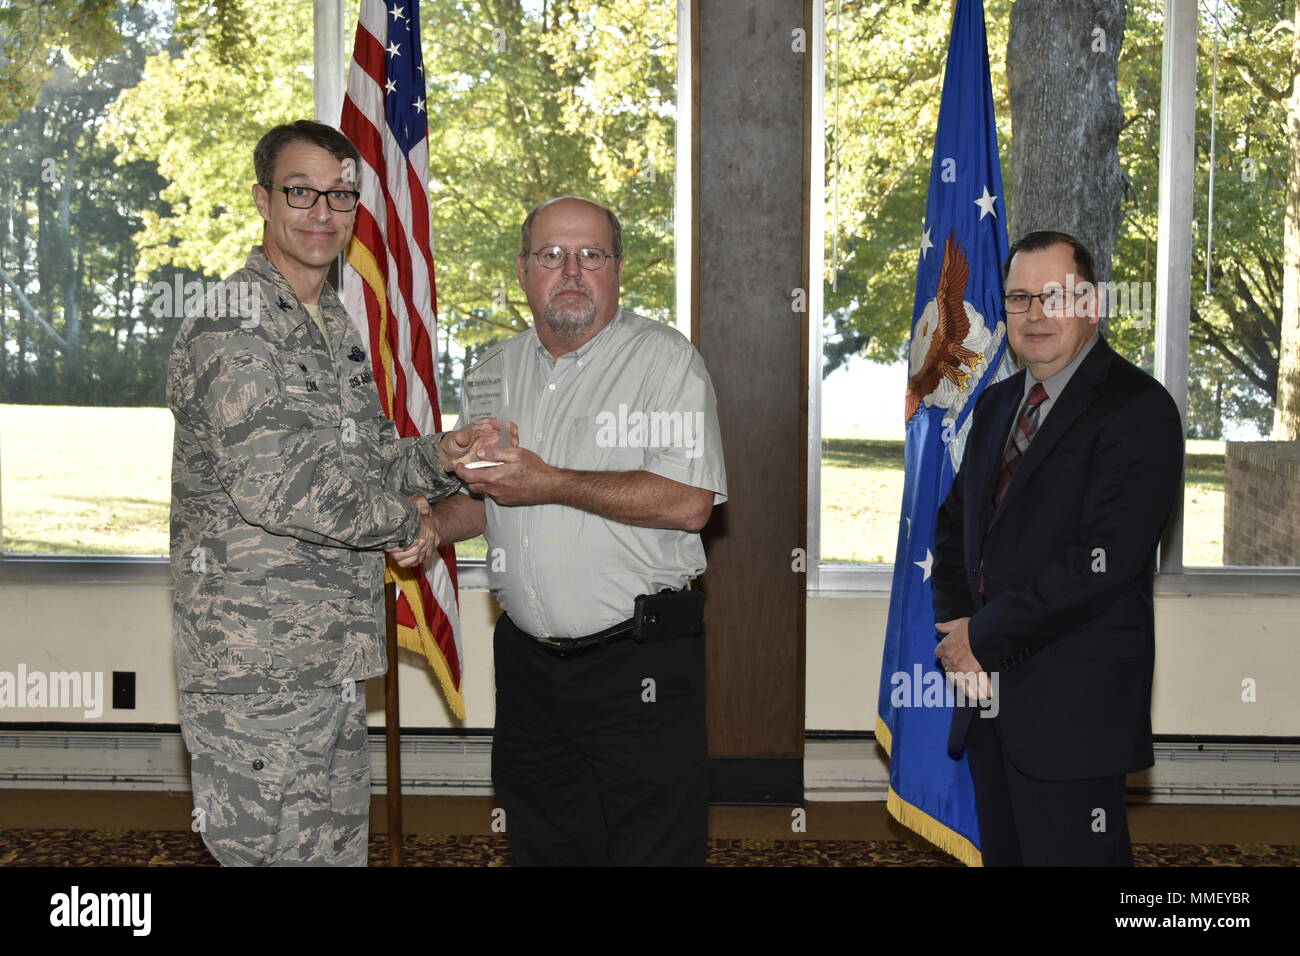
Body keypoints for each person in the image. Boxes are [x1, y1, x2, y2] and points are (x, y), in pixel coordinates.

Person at [167, 120, 492, 866]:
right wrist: (403, 523)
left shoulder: (331, 319)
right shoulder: (235, 324)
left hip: (329, 658)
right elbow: (277, 485)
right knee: (264, 854)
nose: (321, 212)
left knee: (331, 854)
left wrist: (445, 454)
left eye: (339, 195)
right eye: (301, 192)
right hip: (255, 667)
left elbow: (369, 454)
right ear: (263, 199)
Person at [428, 195, 727, 866]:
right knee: (543, 846)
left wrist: (552, 480)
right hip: (530, 666)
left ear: (618, 269)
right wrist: (430, 528)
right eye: (550, 256)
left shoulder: (665, 364)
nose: (571, 271)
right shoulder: (491, 375)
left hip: (639, 664)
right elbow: (488, 501)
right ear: (523, 270)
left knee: (652, 853)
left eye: (590, 255)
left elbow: (690, 504)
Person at [931, 230, 1184, 866]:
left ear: (1092, 305)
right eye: (1020, 298)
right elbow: (955, 528)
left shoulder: (1139, 409)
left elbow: (1101, 565)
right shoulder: (994, 407)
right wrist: (964, 631)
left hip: (1074, 714)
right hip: (990, 700)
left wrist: (982, 636)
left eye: (1054, 296)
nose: (1036, 314)